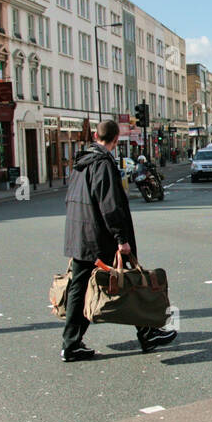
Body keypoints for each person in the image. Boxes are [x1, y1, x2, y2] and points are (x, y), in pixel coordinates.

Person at [61, 119, 177, 362]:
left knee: (81, 288)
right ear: (116, 140)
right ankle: (74, 344)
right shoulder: (102, 163)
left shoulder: (81, 162)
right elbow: (109, 205)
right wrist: (121, 238)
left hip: (80, 233)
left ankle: (144, 333)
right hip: (97, 238)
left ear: (95, 135)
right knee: (129, 282)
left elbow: (72, 199)